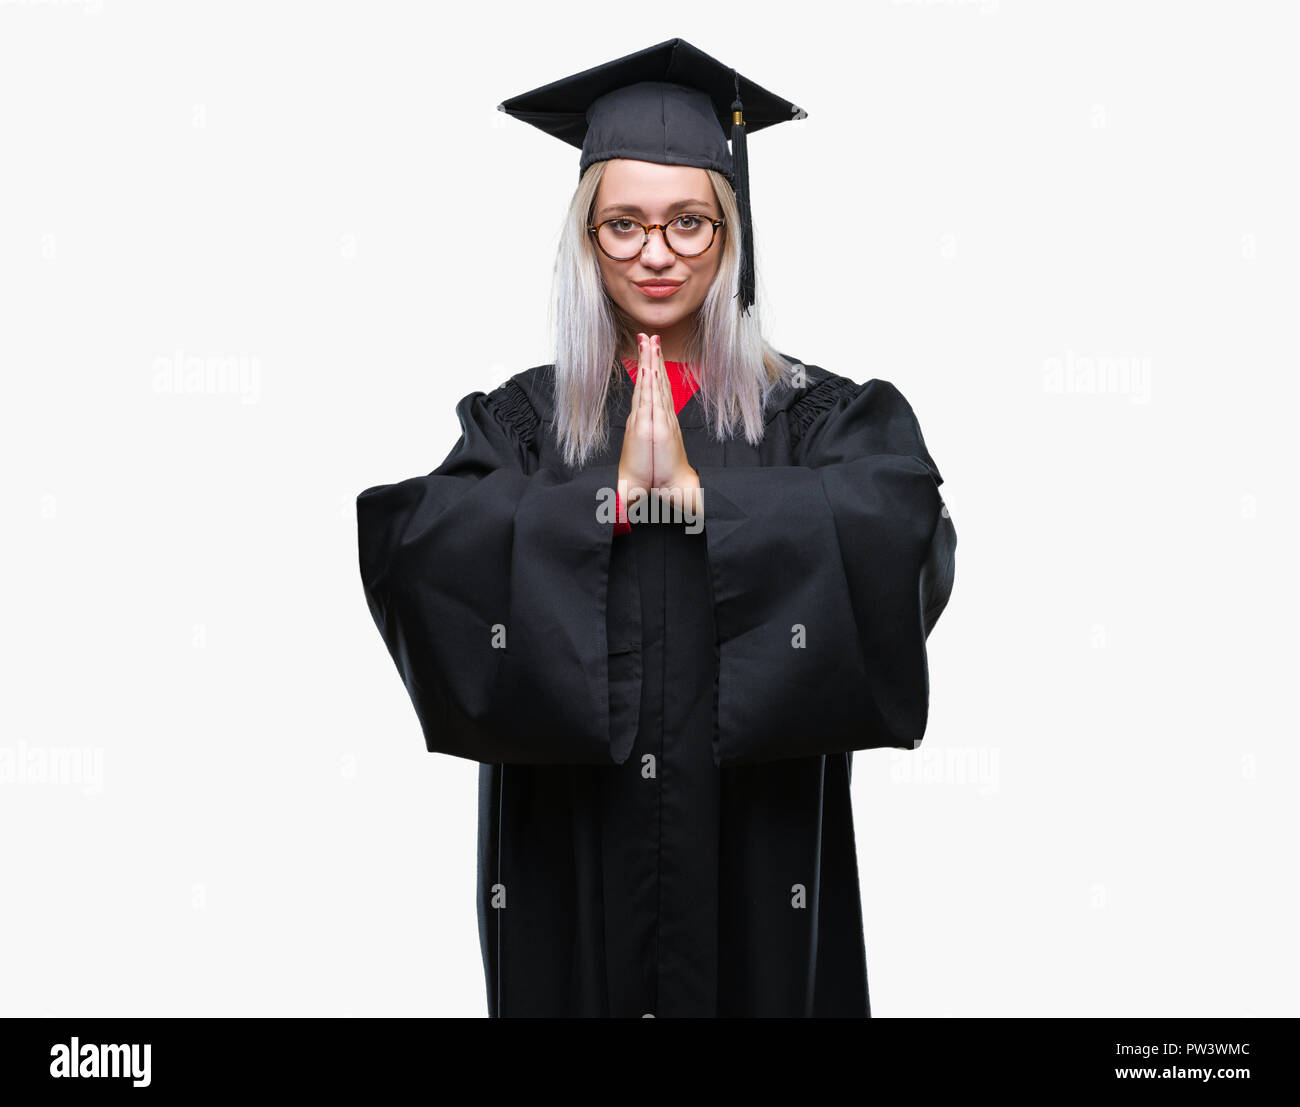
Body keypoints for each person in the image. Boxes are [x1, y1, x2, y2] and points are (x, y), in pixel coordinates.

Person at [356, 38, 957, 1018]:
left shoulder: (813, 416)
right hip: (568, 853)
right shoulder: (522, 421)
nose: (656, 253)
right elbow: (423, 551)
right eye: (622, 224)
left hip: (760, 854)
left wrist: (704, 501)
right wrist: (601, 506)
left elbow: (902, 531)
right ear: (584, 238)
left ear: (731, 234)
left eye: (688, 223)